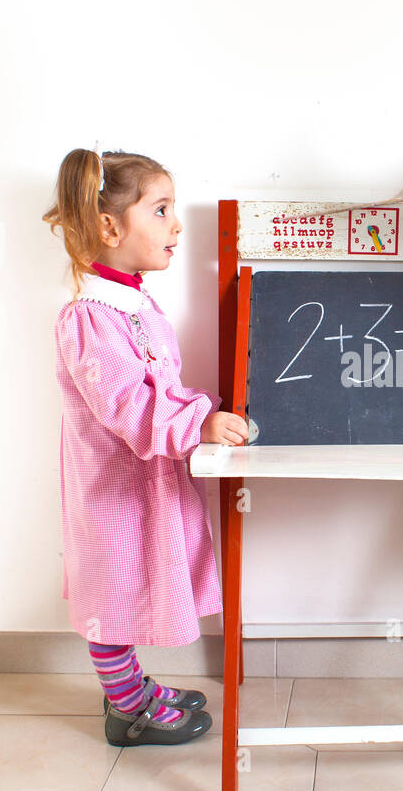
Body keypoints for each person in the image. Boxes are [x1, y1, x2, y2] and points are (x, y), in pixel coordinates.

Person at [43, 148, 249, 747]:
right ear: (110, 227)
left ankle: (132, 689)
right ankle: (126, 709)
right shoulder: (89, 317)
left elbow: (159, 386)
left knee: (130, 589)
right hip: (110, 490)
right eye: (160, 211)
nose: (176, 226)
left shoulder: (136, 303)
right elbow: (131, 406)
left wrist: (197, 413)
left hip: (144, 482)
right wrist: (200, 421)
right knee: (111, 597)